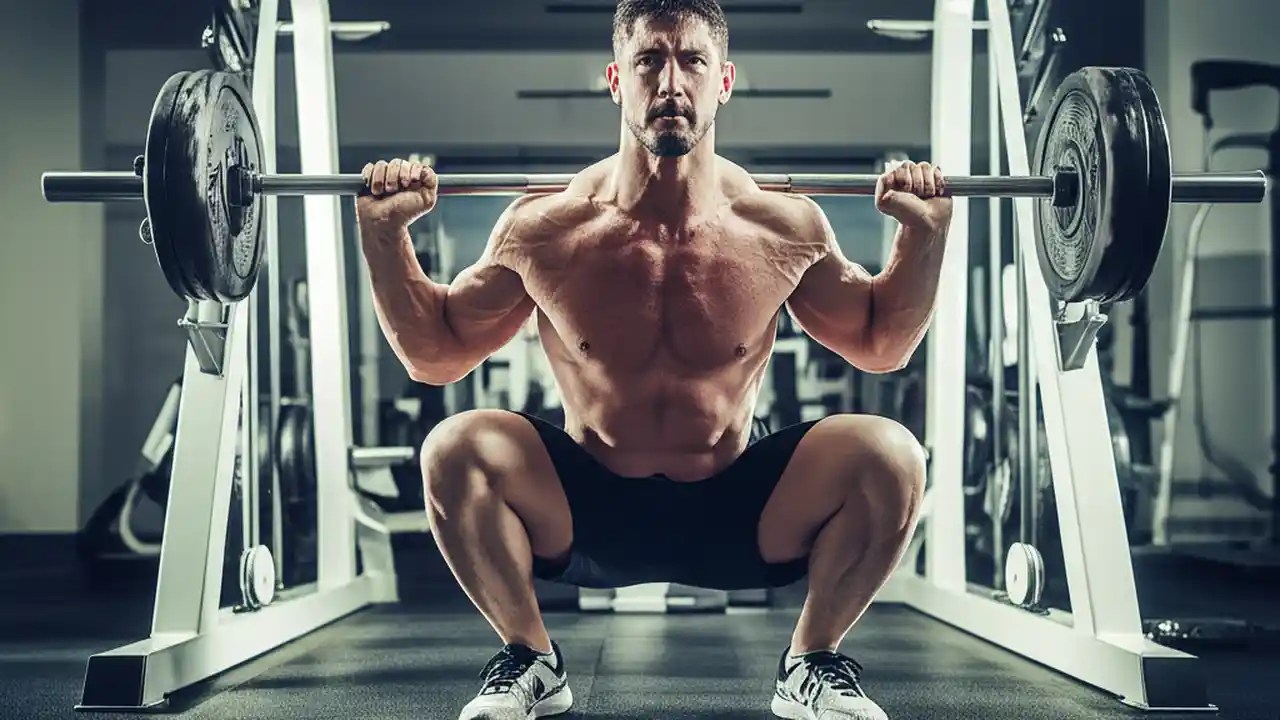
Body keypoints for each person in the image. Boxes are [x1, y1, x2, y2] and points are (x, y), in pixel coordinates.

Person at [356, 1, 951, 717]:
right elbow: (434, 353)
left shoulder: (779, 226)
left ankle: (811, 661)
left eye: (692, 60)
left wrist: (924, 238)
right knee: (454, 448)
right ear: (616, 79)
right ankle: (530, 658)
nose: (672, 82)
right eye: (649, 61)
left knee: (893, 455)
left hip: (736, 510)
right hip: (588, 511)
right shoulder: (547, 229)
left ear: (723, 81)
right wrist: (385, 238)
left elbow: (882, 345)